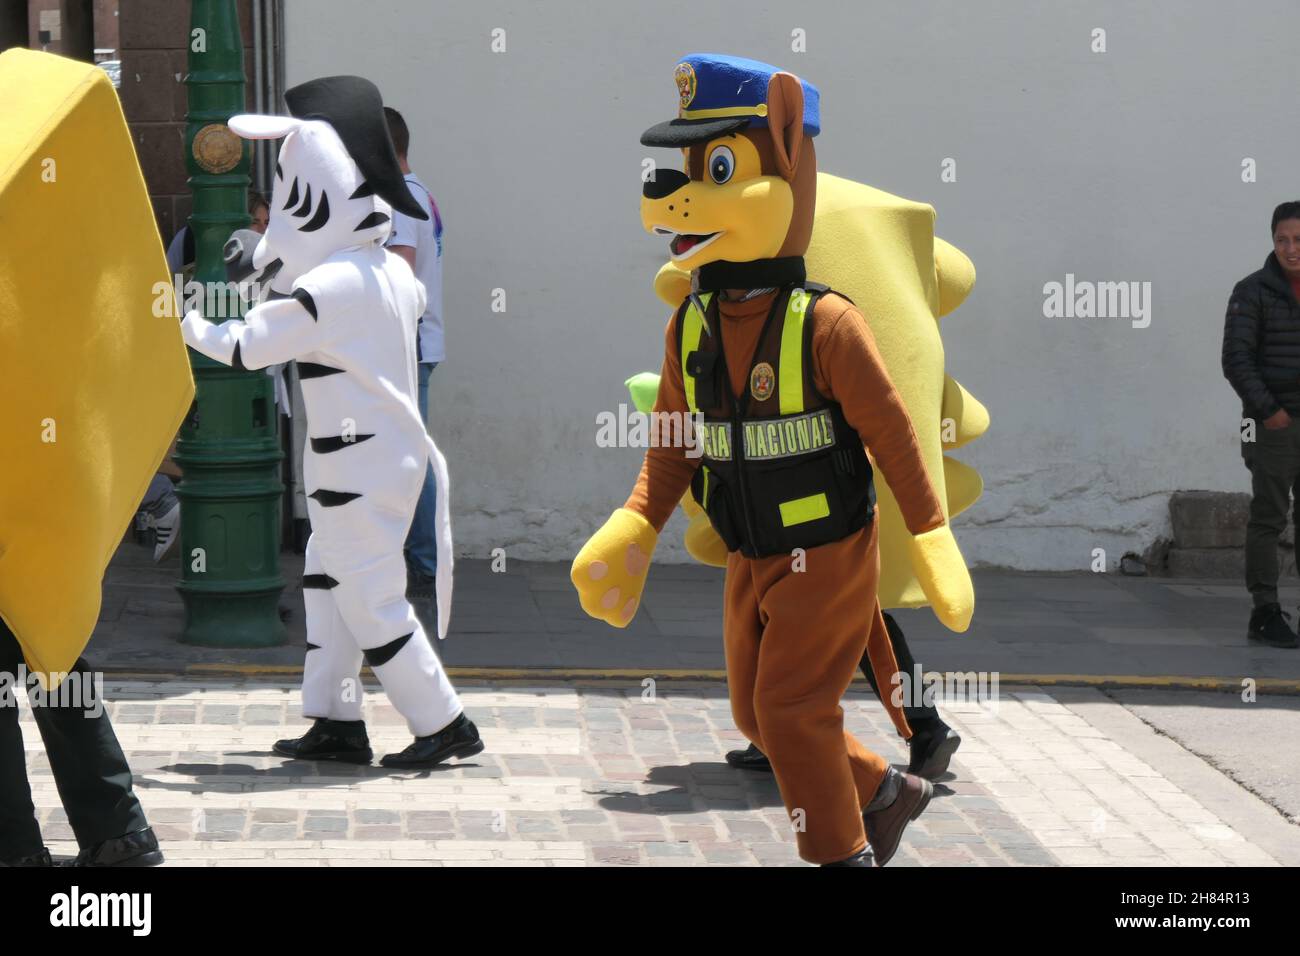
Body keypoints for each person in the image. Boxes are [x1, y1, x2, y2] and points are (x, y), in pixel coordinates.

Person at [572, 55, 974, 866]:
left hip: (827, 545)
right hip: (752, 551)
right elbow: (675, 443)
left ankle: (840, 853)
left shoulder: (826, 324)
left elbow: (893, 436)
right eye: (690, 168)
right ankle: (888, 792)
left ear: (788, 163)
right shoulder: (691, 323)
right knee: (763, 718)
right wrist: (636, 524)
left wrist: (931, 535)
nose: (680, 192)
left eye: (718, 168)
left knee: (790, 712)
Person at [182, 75, 481, 768]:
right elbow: (304, 279)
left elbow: (248, 346)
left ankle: (444, 721)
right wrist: (260, 266)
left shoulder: (336, 285)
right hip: (373, 462)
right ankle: (337, 717)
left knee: (371, 597)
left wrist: (179, 319)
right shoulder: (381, 273)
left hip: (358, 467)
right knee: (329, 578)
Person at [1222, 201, 1300, 649]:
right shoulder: (1252, 291)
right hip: (1272, 426)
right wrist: (1271, 411)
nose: (1290, 248)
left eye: (1297, 239)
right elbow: (1236, 359)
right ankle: (1265, 611)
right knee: (1269, 517)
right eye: (1281, 240)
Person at [383, 106, 445, 627]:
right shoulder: (420, 193)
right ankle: (419, 560)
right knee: (409, 454)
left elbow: (399, 271)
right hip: (420, 343)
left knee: (411, 458)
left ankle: (424, 565)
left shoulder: (401, 199)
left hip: (409, 344)